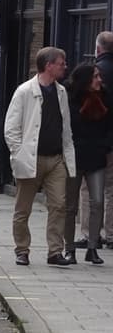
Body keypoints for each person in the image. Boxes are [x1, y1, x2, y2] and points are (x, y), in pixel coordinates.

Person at [4, 46, 76, 267]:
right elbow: (11, 128)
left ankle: (55, 251)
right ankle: (22, 250)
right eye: (61, 63)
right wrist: (19, 152)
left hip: (56, 159)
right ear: (48, 65)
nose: (65, 66)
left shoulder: (62, 92)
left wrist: (67, 156)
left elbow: (66, 128)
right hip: (31, 158)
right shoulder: (24, 91)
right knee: (23, 208)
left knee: (59, 205)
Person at [64, 63, 110, 264]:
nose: (100, 80)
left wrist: (105, 146)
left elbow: (110, 127)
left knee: (97, 202)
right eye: (96, 76)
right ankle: (69, 249)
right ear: (85, 80)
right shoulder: (69, 97)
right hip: (74, 157)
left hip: (96, 157)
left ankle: (92, 247)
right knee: (70, 206)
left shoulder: (106, 97)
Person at [81, 32, 113, 249]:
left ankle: (90, 234)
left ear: (98, 49)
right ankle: (111, 234)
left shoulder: (92, 73)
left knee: (89, 189)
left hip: (94, 141)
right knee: (111, 188)